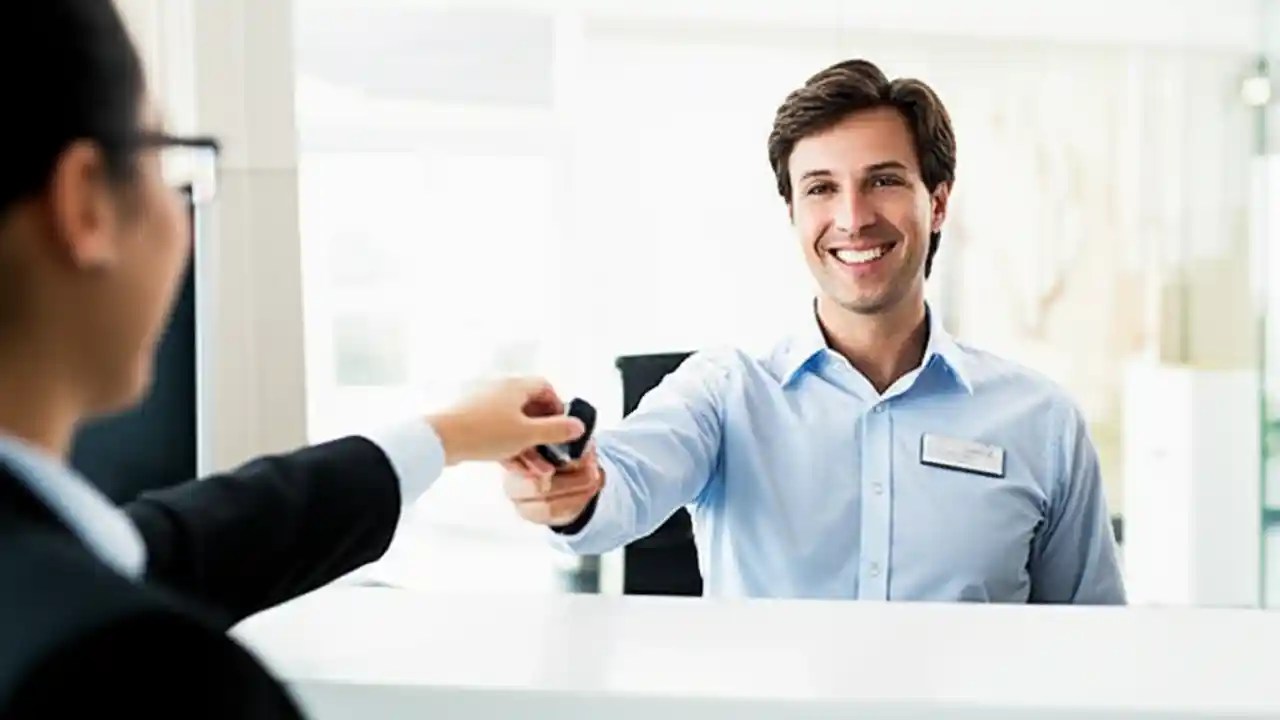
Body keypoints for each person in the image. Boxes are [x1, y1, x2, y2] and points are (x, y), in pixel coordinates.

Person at [0, 2, 584, 717]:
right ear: (86, 203)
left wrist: (447, 436)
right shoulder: (139, 673)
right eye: (164, 158)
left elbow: (175, 544)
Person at [503, 58, 1125, 605]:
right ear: (794, 214)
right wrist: (573, 489)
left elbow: (1091, 649)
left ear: (936, 203)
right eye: (822, 189)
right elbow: (623, 481)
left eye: (883, 180)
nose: (852, 219)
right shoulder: (724, 393)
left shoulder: (1043, 424)